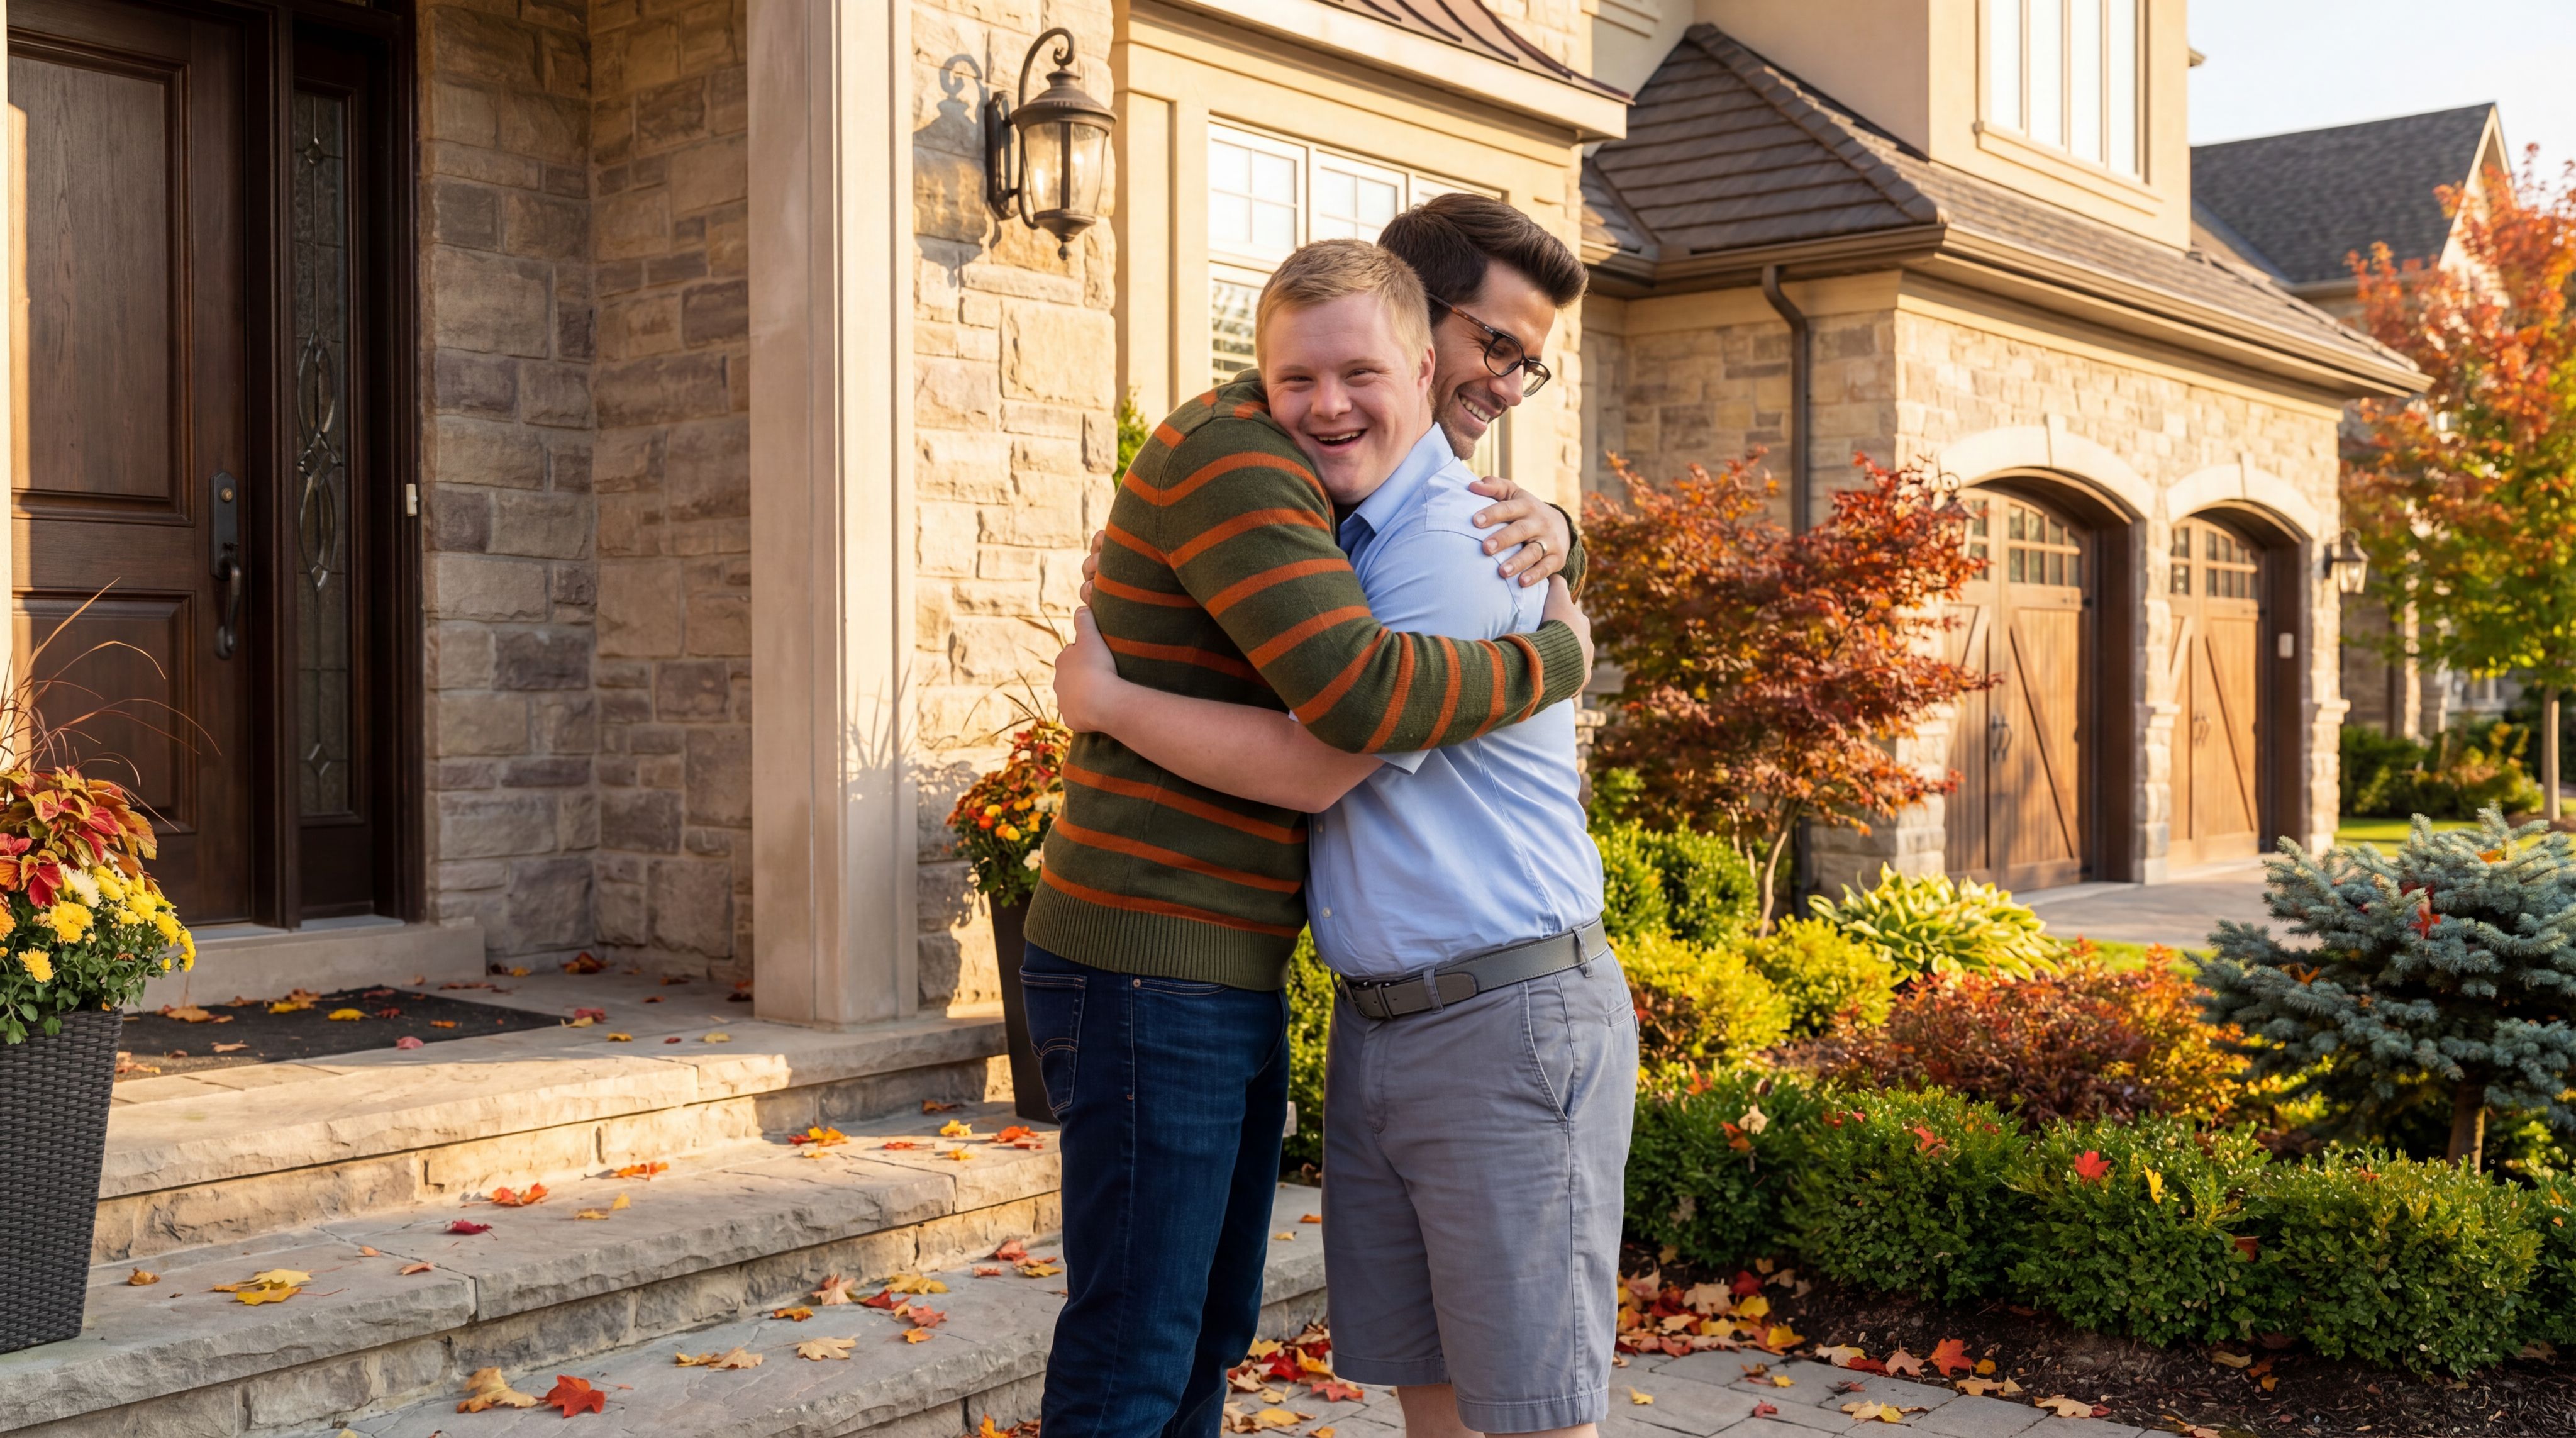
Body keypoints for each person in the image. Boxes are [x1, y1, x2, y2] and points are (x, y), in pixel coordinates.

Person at [1055, 238, 1631, 1438]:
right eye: (1497, 345)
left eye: (1529, 361)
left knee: (1523, 1404)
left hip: (1491, 1013)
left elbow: (1333, 744)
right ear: (1436, 336)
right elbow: (1351, 716)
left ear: (1410, 362)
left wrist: (1564, 604)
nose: (1508, 384)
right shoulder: (1305, 490)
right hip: (1350, 1006)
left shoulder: (1443, 536)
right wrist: (1562, 627)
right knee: (1191, 1347)